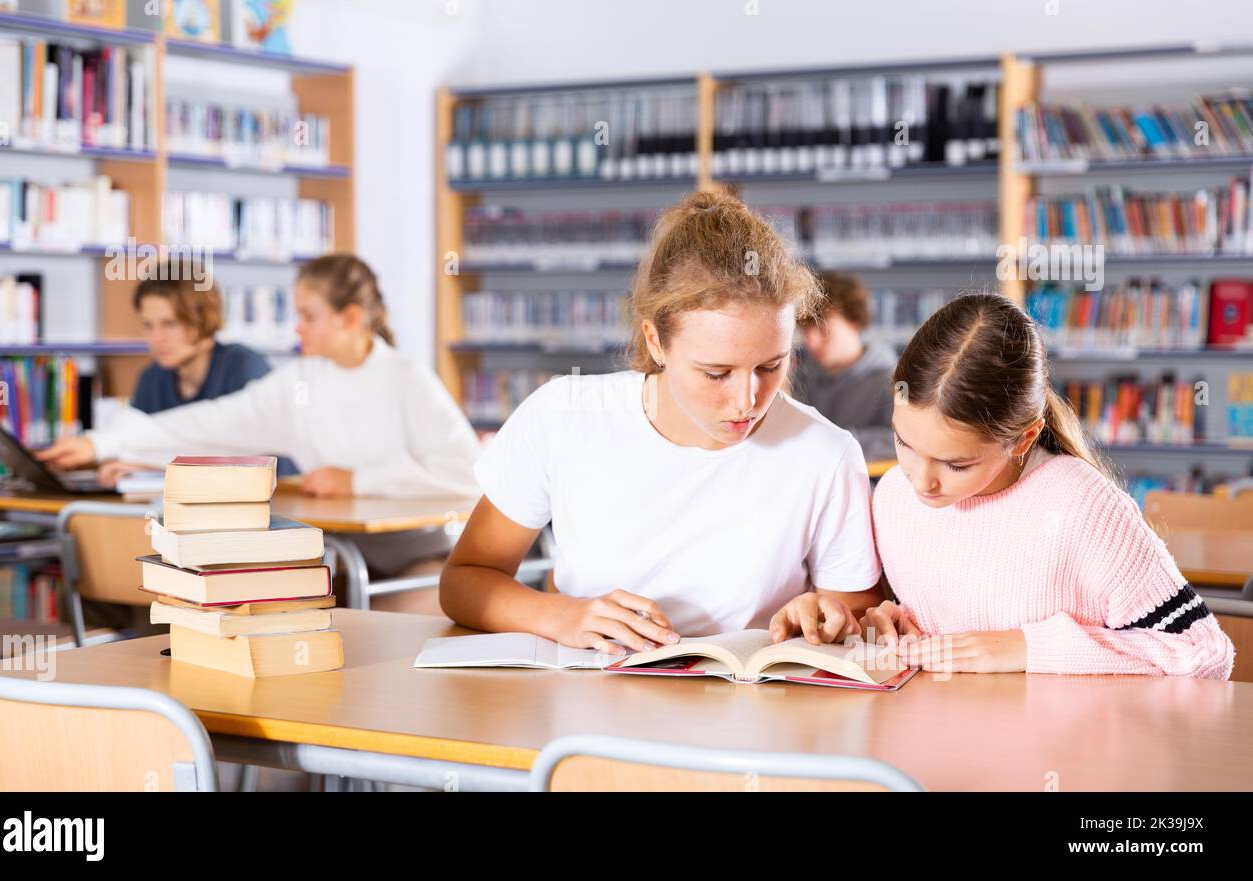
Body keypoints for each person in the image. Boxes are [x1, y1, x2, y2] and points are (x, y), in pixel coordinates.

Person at [440, 191, 885, 653]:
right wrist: (563, 616)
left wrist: (824, 617)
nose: (747, 400)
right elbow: (465, 580)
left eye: (771, 366)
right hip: (588, 705)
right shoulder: (562, 415)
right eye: (716, 373)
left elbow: (855, 613)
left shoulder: (825, 454)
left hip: (750, 713)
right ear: (655, 342)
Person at [777, 291, 1234, 679]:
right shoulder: (894, 497)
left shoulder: (1084, 508)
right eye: (903, 442)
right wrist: (886, 625)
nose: (921, 479)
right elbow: (944, 635)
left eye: (956, 464)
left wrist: (1026, 648)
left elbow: (1205, 652)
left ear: (1024, 438)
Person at [40, 254, 481, 587]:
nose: (297, 328)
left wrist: (357, 481)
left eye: (308, 316)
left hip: (421, 559)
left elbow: (467, 473)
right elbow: (208, 423)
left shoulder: (406, 378)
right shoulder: (300, 382)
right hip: (334, 558)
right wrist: (101, 445)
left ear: (350, 318)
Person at [99, 264, 297, 485]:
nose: (156, 338)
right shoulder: (152, 377)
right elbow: (134, 445)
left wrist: (150, 466)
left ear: (202, 319)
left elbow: (248, 460)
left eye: (170, 324)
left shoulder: (244, 366)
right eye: (148, 325)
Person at [793, 272, 896, 462]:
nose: (811, 341)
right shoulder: (799, 377)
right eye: (805, 329)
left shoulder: (896, 382)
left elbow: (902, 442)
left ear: (855, 322)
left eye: (823, 329)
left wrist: (832, 440)